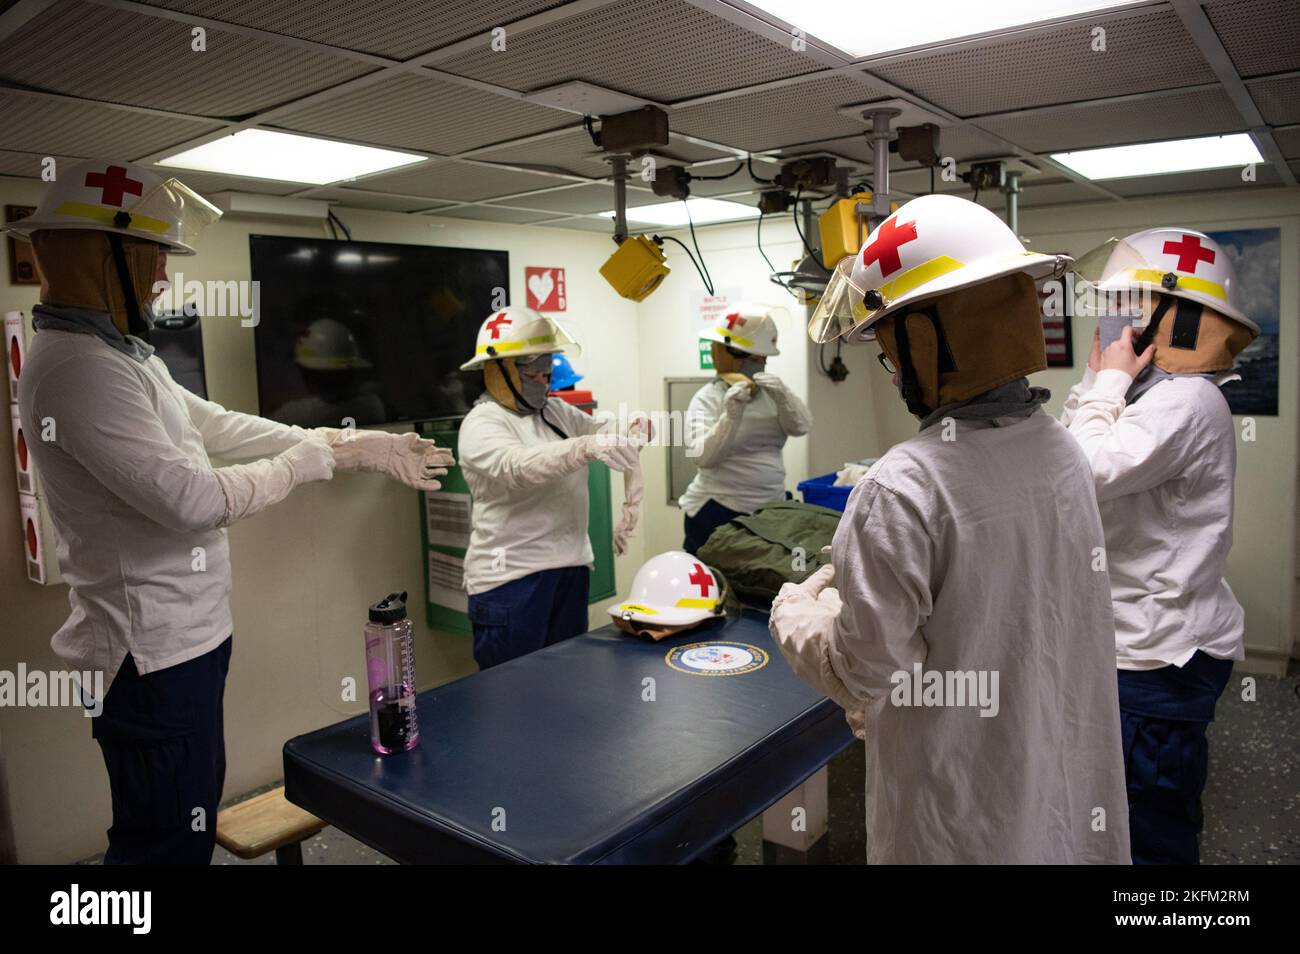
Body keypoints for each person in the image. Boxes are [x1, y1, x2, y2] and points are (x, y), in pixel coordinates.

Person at [6, 159, 455, 864]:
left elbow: (216, 426)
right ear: (106, 253)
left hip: (180, 646)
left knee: (179, 821)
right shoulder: (79, 370)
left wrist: (344, 445)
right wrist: (307, 463)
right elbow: (194, 499)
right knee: (162, 844)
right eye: (154, 256)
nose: (160, 277)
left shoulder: (121, 356)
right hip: (148, 658)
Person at [770, 194, 1130, 863]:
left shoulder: (903, 485)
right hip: (1059, 798)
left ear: (926, 336)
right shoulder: (1061, 452)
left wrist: (797, 613)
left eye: (890, 349)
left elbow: (866, 671)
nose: (895, 369)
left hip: (960, 818)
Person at [1061, 228, 1258, 864]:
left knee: (1150, 832)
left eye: (1132, 303)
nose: (1117, 318)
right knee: (1116, 813)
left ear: (1179, 314)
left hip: (1160, 658)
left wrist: (1107, 384)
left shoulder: (1189, 401)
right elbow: (1065, 450)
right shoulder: (1149, 392)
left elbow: (1082, 474)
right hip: (1135, 643)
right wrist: (1101, 380)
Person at [457, 307, 646, 669]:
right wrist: (585, 447)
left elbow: (597, 432)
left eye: (547, 372)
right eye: (532, 372)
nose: (543, 382)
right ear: (499, 370)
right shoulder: (481, 424)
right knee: (512, 697)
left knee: (566, 685)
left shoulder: (554, 411)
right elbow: (519, 467)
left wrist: (629, 426)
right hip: (511, 581)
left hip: (569, 569)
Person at [679, 303, 811, 555]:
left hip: (770, 509)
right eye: (754, 358)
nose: (760, 364)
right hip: (718, 509)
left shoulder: (771, 393)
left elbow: (800, 427)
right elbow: (702, 457)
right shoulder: (708, 397)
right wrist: (730, 417)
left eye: (762, 359)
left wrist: (785, 398)